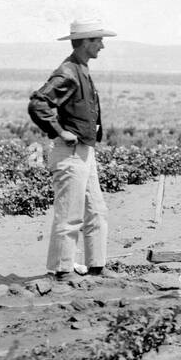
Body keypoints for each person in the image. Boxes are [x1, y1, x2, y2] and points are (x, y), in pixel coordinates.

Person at [28, 18, 115, 277]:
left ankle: (97, 267)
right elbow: (38, 103)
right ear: (84, 42)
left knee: (97, 211)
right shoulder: (67, 71)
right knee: (70, 215)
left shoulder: (81, 68)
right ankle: (61, 272)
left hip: (85, 152)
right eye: (98, 40)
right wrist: (59, 131)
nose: (102, 45)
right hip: (71, 153)